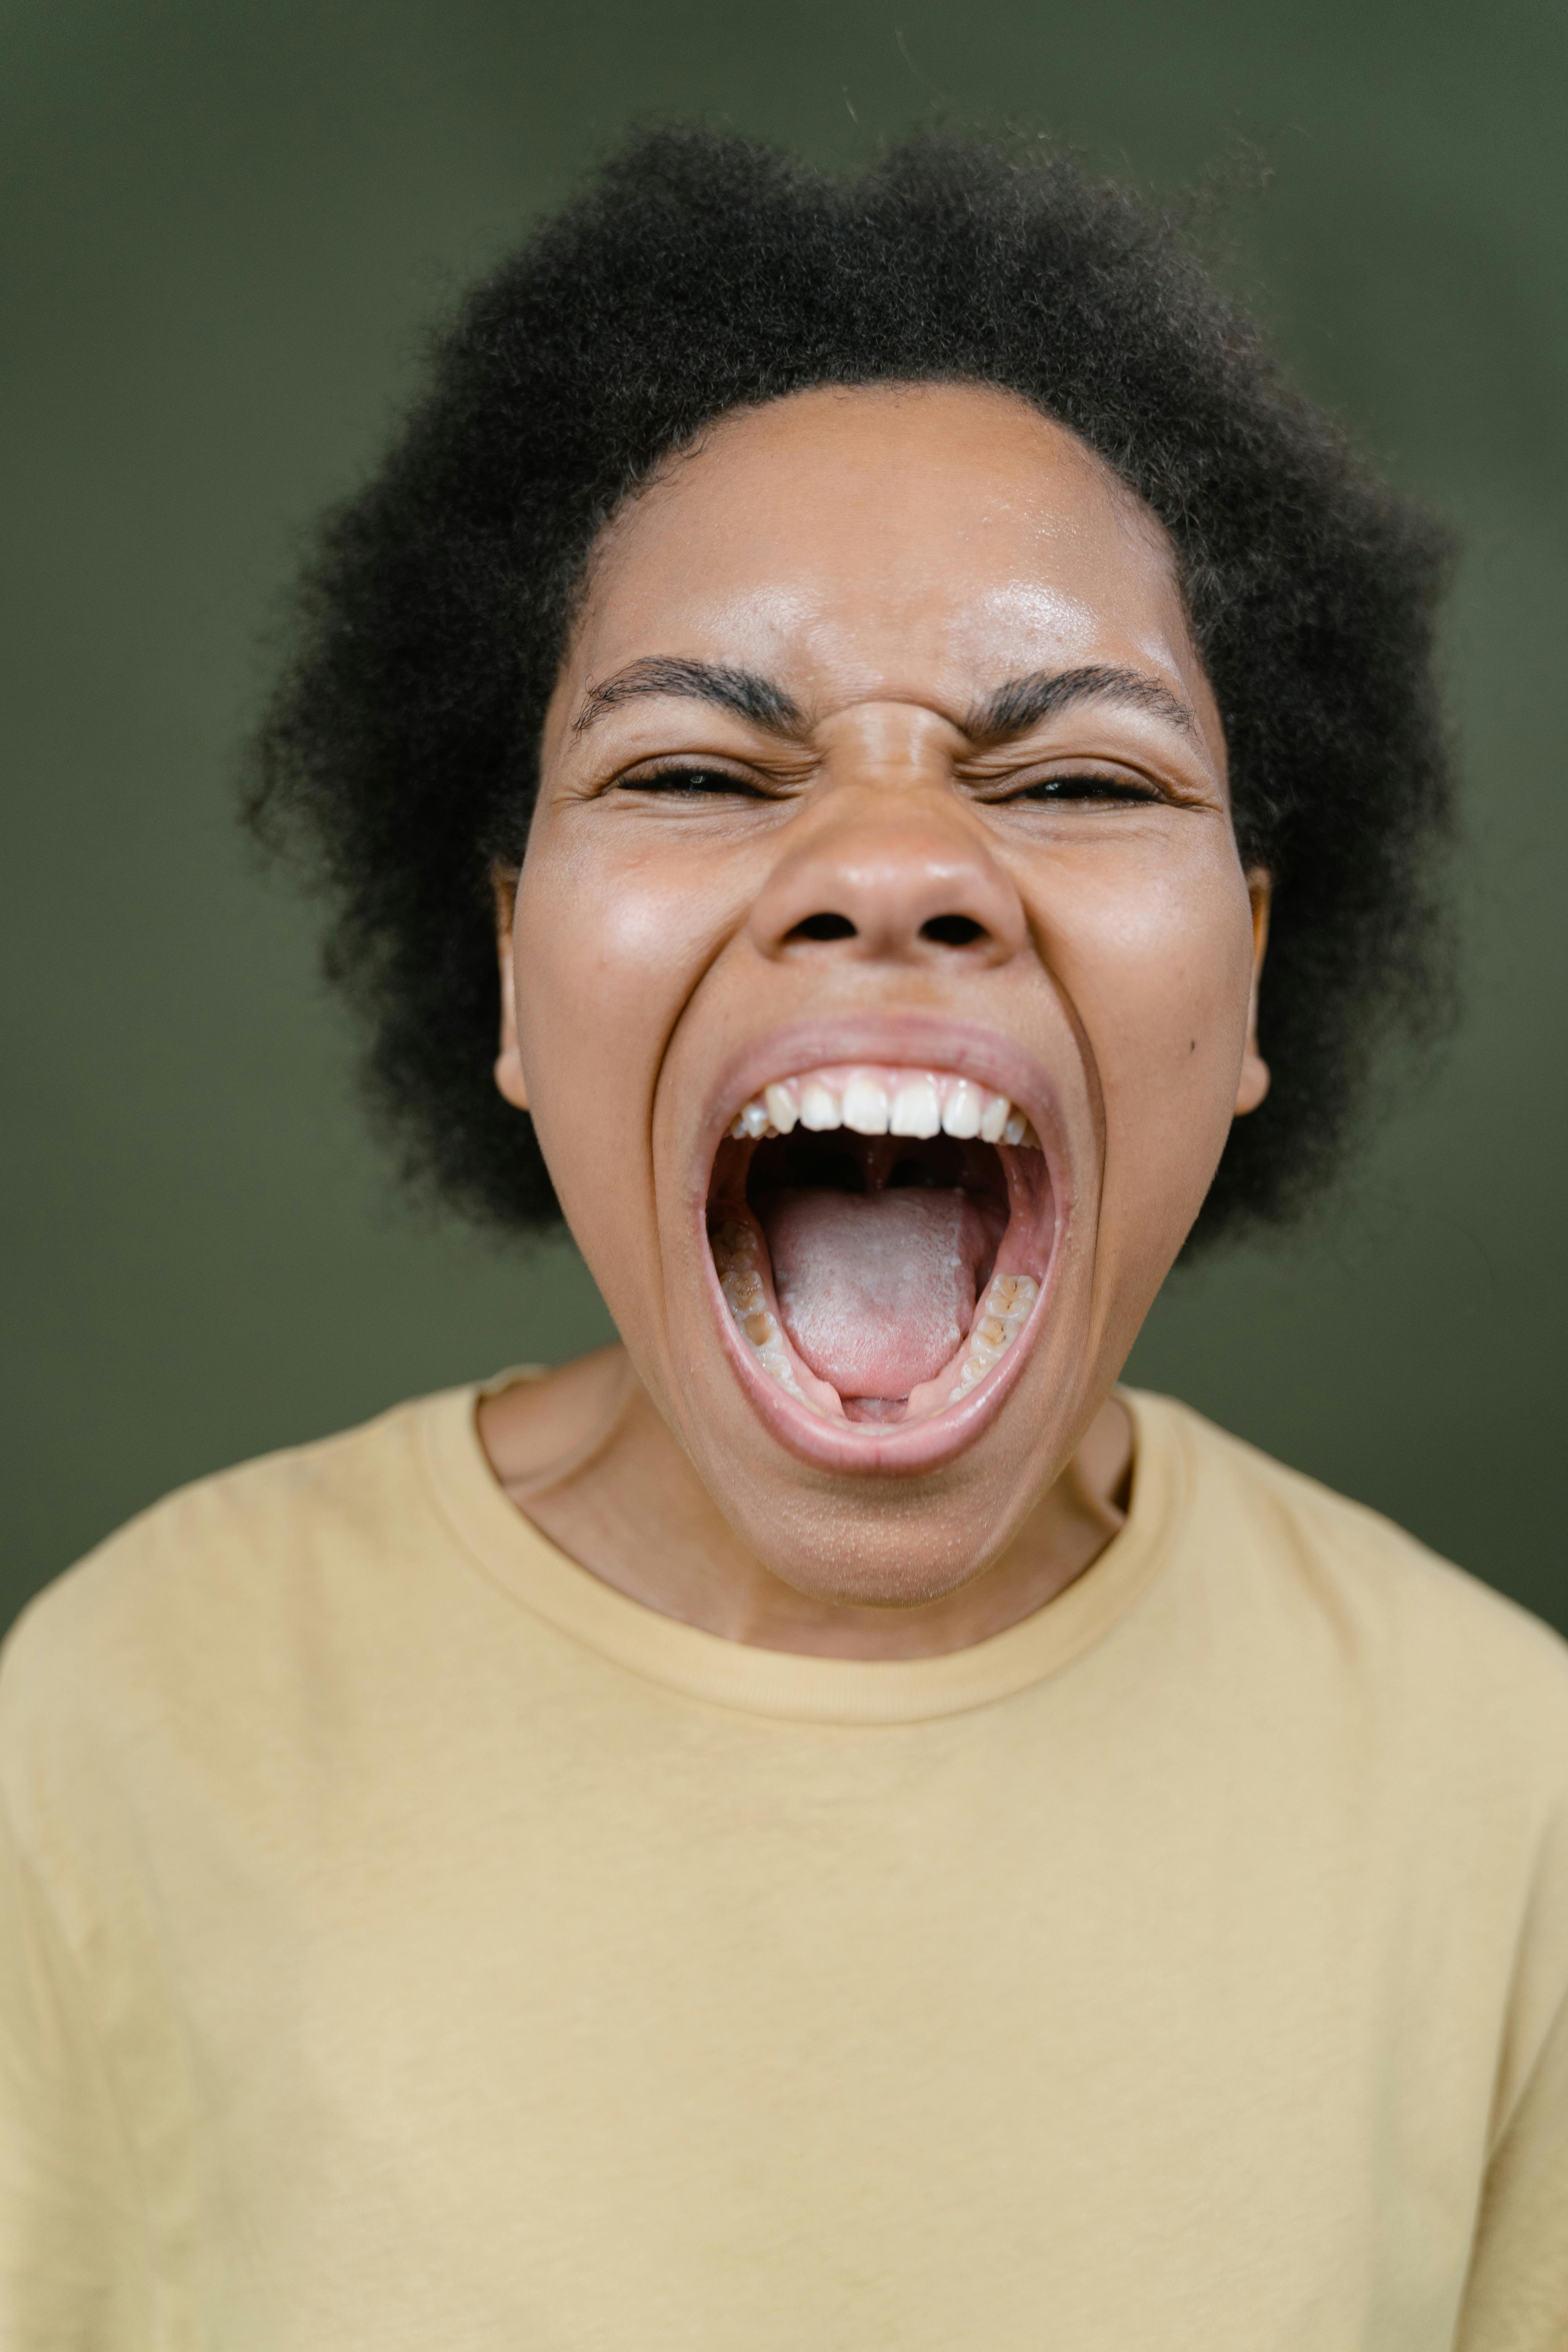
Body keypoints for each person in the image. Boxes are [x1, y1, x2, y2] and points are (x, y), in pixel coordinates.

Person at [2, 126, 1563, 2349]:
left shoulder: (1514, 1798)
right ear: (516, 961)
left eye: (1080, 781)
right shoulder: (123, 1713)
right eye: (701, 774)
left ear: (1250, 982)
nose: (896, 866)